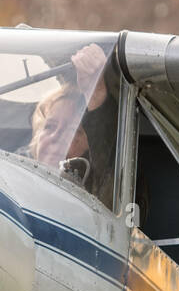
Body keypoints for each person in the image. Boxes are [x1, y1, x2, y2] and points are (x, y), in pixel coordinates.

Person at [28, 42, 118, 209]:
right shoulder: (15, 180)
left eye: (73, 131)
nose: (55, 137)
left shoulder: (99, 196)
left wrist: (96, 93)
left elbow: (107, 176)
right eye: (49, 127)